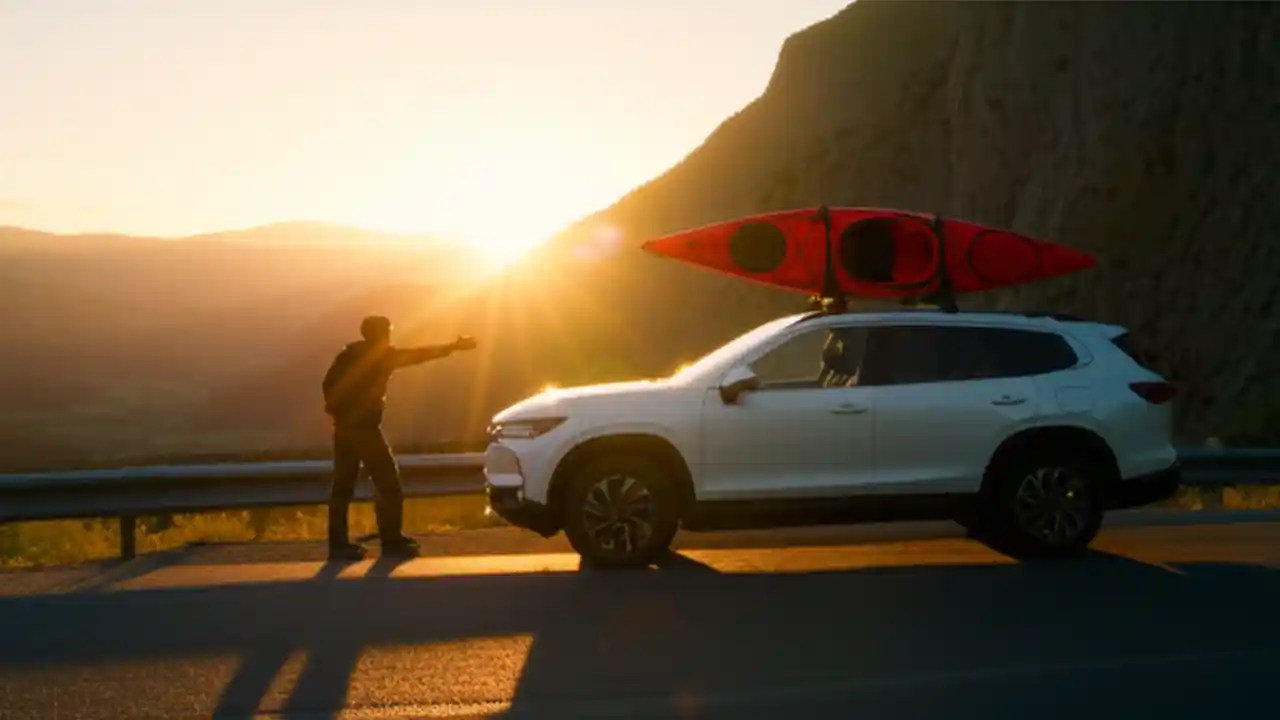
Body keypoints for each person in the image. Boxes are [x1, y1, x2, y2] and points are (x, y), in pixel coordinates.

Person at [322, 315, 476, 561]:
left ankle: (338, 546)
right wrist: (453, 347)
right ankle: (391, 540)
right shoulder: (382, 356)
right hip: (365, 429)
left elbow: (327, 385)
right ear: (381, 334)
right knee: (388, 483)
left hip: (342, 429)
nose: (390, 336)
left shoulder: (347, 355)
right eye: (388, 331)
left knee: (342, 488)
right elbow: (419, 355)